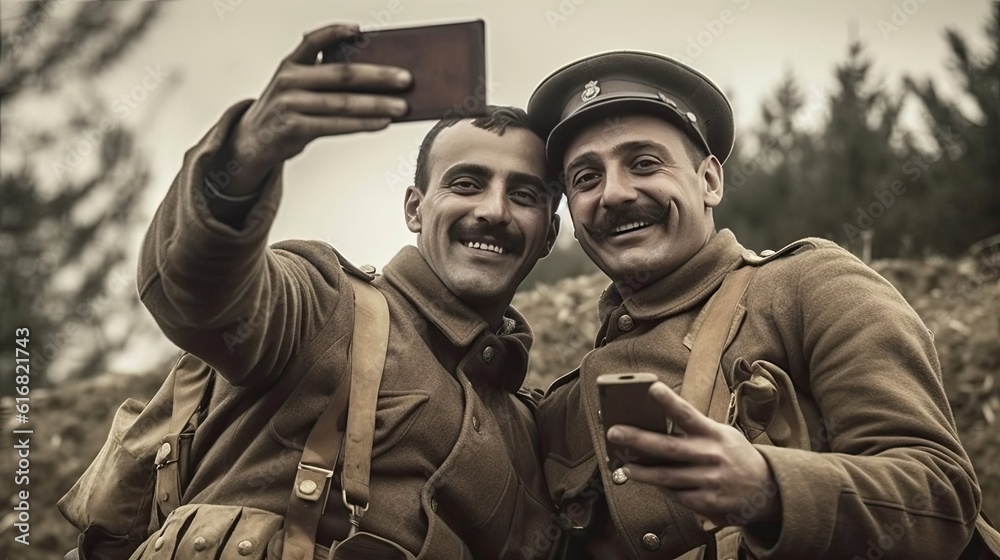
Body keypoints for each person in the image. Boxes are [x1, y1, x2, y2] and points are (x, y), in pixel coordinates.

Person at [119, 23, 562, 559]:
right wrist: (247, 154)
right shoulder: (326, 305)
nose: (493, 210)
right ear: (415, 209)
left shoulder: (531, 430)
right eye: (466, 184)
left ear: (549, 235)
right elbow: (196, 293)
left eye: (524, 195)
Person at [526, 51, 983, 559]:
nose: (613, 193)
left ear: (710, 181)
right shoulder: (563, 407)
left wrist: (767, 488)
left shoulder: (810, 287)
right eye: (586, 178)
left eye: (644, 163)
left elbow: (941, 498)